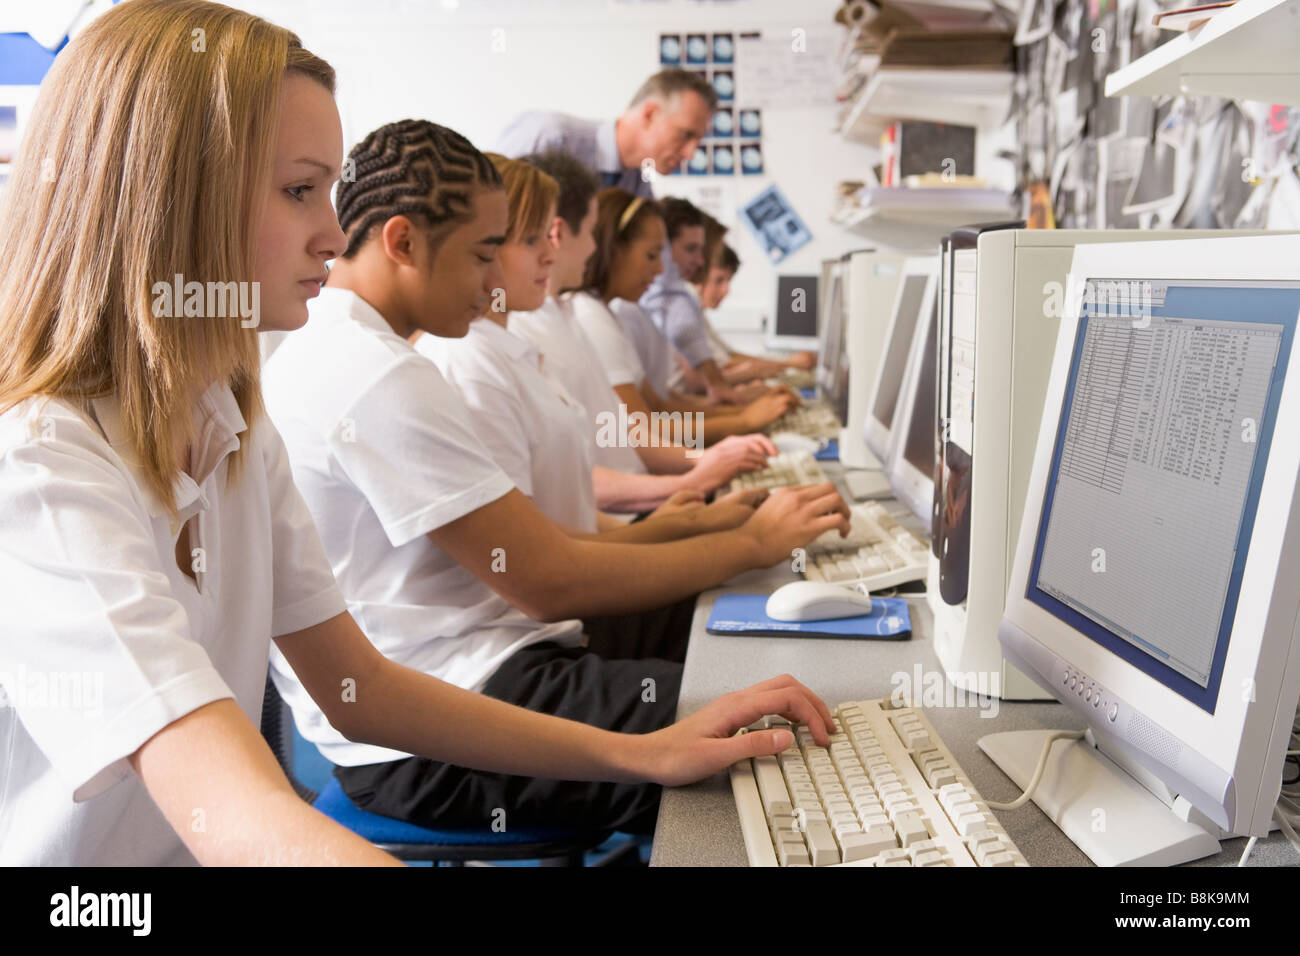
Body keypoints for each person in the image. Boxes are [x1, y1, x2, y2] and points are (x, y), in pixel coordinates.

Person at [0, 0, 838, 866]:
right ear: (168, 197)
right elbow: (236, 818)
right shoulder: (40, 473)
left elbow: (361, 689)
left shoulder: (232, 426)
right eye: (298, 190)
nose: (332, 232)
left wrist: (642, 751)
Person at [260, 119, 851, 834]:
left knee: (745, 667)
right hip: (436, 729)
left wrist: (710, 529)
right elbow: (545, 581)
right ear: (404, 242)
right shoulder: (372, 371)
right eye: (485, 254)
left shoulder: (345, 350)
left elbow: (536, 550)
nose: (494, 279)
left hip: (465, 681)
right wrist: (750, 545)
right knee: (781, 737)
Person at [415, 151, 765, 538]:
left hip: (614, 526)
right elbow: (541, 552)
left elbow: (573, 483)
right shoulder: (479, 356)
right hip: (612, 531)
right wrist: (699, 476)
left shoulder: (545, 326)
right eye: (533, 239)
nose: (587, 247)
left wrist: (677, 504)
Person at [505, 149, 774, 513]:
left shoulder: (570, 314)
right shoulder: (575, 317)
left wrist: (705, 460)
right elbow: (639, 425)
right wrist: (709, 455)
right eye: (652, 255)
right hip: (633, 503)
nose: (592, 246)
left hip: (638, 499)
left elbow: (638, 419)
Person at [571, 188, 799, 449]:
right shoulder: (596, 317)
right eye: (651, 255)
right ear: (614, 249)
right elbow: (642, 430)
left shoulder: (615, 314)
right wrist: (741, 424)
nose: (659, 269)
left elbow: (661, 405)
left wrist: (742, 413)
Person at [493, 68, 714, 199]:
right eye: (686, 135)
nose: (691, 153)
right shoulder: (550, 135)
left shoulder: (638, 188)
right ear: (650, 115)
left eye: (698, 140)